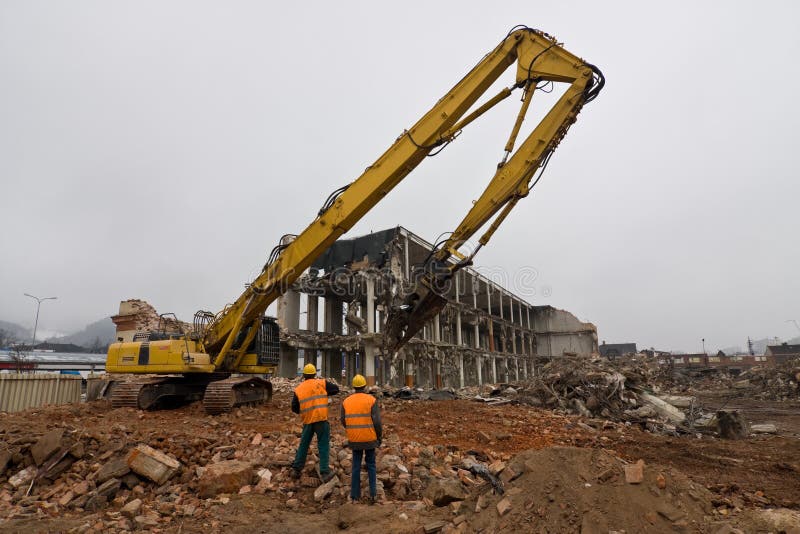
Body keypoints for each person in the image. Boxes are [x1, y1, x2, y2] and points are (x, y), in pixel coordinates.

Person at [291, 363, 340, 482]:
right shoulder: (321, 383)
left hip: (308, 420)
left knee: (304, 444)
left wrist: (304, 411)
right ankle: (324, 472)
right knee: (323, 445)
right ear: (314, 374)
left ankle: (296, 469)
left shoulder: (299, 389)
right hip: (321, 419)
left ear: (304, 376)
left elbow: (294, 407)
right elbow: (336, 389)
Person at [341, 374, 382, 504]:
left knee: (356, 466)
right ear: (364, 386)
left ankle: (354, 496)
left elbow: (343, 420)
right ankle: (373, 494)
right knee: (371, 465)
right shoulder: (371, 400)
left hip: (355, 439)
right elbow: (377, 422)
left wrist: (352, 429)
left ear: (353, 387)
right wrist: (379, 437)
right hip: (370, 438)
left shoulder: (346, 401)